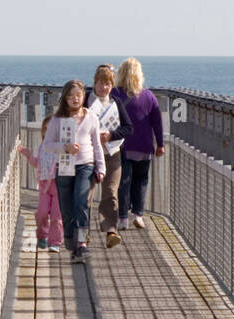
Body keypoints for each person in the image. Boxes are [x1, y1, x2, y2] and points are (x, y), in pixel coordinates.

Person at [41, 79, 105, 260]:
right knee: (67, 209)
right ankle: (70, 239)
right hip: (64, 166)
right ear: (65, 99)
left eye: (78, 95)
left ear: (83, 95)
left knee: (81, 201)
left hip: (86, 164)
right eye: (71, 96)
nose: (75, 99)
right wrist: (65, 147)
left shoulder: (91, 117)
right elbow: (47, 145)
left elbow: (97, 144)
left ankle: (82, 243)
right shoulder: (57, 119)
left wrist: (101, 167)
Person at [112, 58, 165, 230]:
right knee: (141, 181)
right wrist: (160, 144)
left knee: (124, 182)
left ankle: (122, 219)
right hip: (144, 146)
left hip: (123, 145)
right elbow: (157, 122)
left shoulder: (115, 94)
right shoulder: (149, 96)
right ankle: (139, 215)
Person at [85, 64, 132, 247]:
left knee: (111, 192)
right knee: (86, 194)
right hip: (89, 154)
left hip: (112, 153)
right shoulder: (86, 101)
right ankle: (83, 234)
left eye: (108, 84)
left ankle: (111, 231)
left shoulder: (116, 103)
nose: (104, 87)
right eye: (101, 83)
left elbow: (128, 128)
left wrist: (111, 135)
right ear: (95, 82)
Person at [17, 116, 63, 252]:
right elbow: (37, 163)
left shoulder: (62, 147)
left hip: (59, 184)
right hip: (44, 185)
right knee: (41, 213)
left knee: (56, 215)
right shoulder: (42, 146)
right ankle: (42, 236)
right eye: (46, 130)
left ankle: (55, 241)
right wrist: (28, 155)